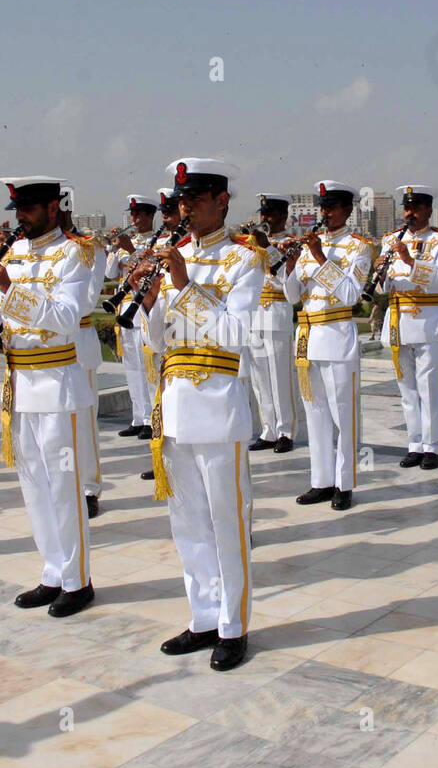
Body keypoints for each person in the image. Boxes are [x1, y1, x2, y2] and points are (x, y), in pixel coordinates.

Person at [131, 157, 261, 670]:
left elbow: (234, 335)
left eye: (196, 200)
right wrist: (147, 302)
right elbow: (159, 339)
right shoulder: (174, 255)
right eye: (182, 200)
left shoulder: (245, 261)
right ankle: (203, 616)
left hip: (218, 404)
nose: (185, 209)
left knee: (227, 521)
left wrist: (183, 287)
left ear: (222, 201)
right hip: (175, 405)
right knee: (186, 522)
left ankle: (234, 625)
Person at [0, 176, 95, 617]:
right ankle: (52, 572)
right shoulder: (14, 254)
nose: (19, 217)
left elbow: (65, 320)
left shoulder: (75, 254)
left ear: (52, 209)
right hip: (19, 385)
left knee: (64, 487)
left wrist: (7, 289)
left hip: (57, 382)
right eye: (17, 209)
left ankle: (77, 581)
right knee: (34, 487)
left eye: (28, 209)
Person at [282, 181, 374, 511]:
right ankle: (321, 480)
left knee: (343, 415)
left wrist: (319, 255)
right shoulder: (306, 246)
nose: (326, 214)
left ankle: (345, 482)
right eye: (323, 208)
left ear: (347, 210)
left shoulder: (359, 247)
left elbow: (351, 295)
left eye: (332, 208)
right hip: (307, 339)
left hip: (337, 335)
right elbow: (293, 298)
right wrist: (291, 267)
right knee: (315, 414)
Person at [378, 184, 438, 470]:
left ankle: (433, 445)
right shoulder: (389, 240)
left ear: (428, 210)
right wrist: (381, 271)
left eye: (415, 209)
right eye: (406, 208)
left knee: (430, 387)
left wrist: (409, 260)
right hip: (398, 320)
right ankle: (414, 443)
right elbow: (381, 287)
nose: (409, 214)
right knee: (407, 388)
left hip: (428, 319)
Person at [58, 185, 107, 518]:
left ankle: (88, 488)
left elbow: (86, 301)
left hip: (78, 342)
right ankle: (63, 487)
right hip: (45, 349)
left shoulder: (88, 249)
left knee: (84, 425)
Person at [247, 193, 296, 453]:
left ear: (283, 217)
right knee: (259, 378)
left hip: (277, 312)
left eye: (270, 214)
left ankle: (286, 430)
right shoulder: (253, 243)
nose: (264, 219)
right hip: (254, 315)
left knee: (280, 377)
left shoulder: (291, 243)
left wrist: (269, 248)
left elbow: (286, 282)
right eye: (262, 214)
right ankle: (268, 430)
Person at [107, 194, 158, 439]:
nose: (134, 219)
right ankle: (138, 416)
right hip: (124, 310)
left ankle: (151, 419)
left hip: (144, 311)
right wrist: (115, 249)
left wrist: (130, 249)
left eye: (139, 215)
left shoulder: (159, 241)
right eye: (132, 215)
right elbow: (109, 273)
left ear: (150, 216)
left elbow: (151, 265)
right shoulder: (128, 243)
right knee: (132, 369)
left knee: (146, 367)